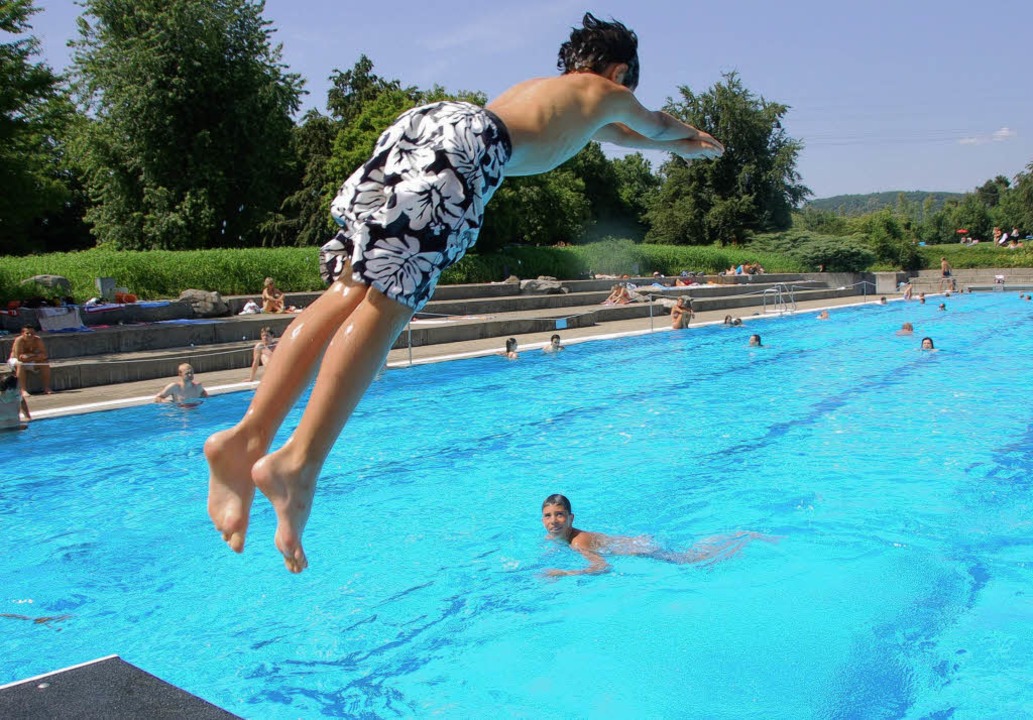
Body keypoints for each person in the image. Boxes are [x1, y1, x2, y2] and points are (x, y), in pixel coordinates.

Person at [203, 12, 725, 573]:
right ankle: (297, 464)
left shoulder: (551, 96)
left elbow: (623, 136)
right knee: (389, 304)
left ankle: (246, 438)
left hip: (425, 129)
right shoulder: (603, 90)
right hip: (469, 149)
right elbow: (651, 123)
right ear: (619, 71)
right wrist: (693, 142)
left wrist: (667, 145)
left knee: (349, 289)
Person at [540, 494, 773, 576]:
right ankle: (740, 535)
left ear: (571, 518)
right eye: (548, 516)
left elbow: (602, 567)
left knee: (695, 561)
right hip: (636, 542)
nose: (554, 521)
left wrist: (565, 573)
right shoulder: (555, 538)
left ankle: (745, 537)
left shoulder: (578, 542)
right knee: (692, 556)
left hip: (641, 549)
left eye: (559, 515)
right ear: (542, 520)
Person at [9, 325, 51, 395]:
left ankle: (46, 388)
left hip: (30, 359)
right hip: (14, 360)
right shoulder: (19, 340)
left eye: (32, 333)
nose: (30, 335)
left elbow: (44, 355)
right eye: (27, 333)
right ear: (22, 334)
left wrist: (30, 357)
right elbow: (19, 357)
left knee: (45, 363)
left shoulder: (38, 340)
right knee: (20, 364)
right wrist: (36, 356)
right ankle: (23, 390)